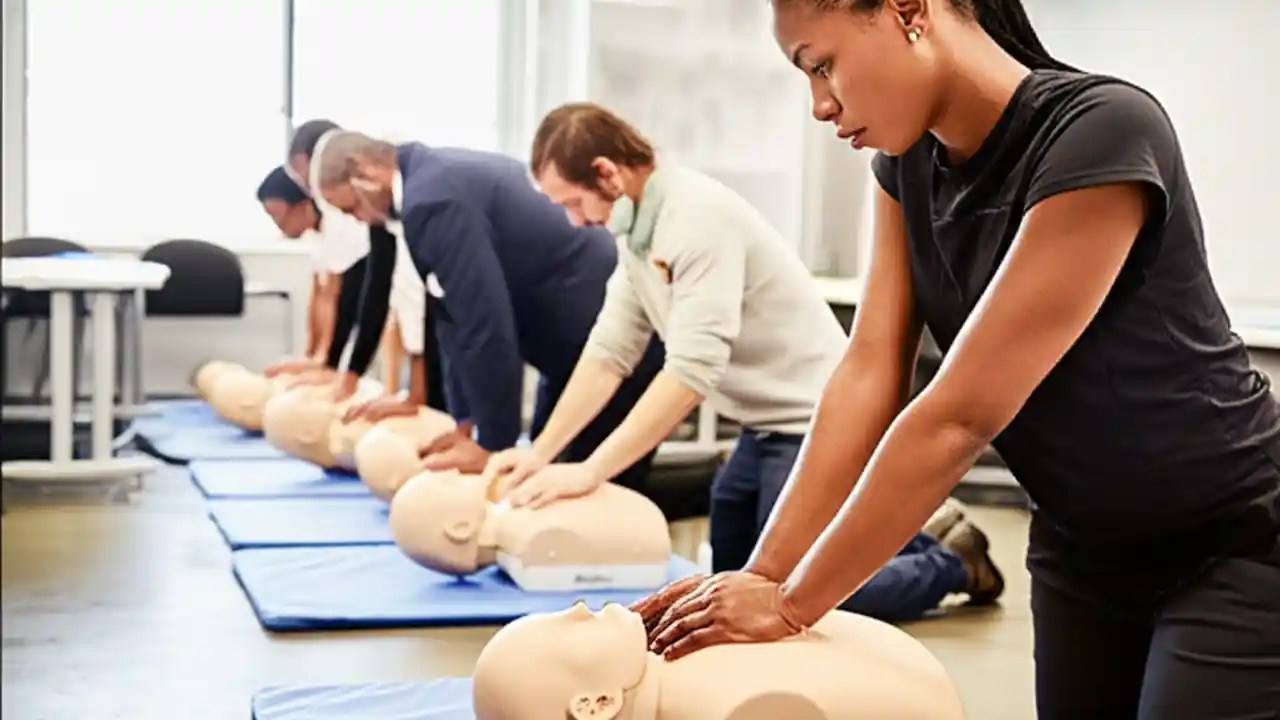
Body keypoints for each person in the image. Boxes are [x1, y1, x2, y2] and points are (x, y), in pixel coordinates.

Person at [636, 2, 1280, 719]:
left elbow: (960, 413)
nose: (819, 105)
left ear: (909, 11)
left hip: (1232, 538)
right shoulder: (903, 168)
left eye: (822, 65)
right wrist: (760, 574)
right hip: (1081, 547)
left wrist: (790, 606)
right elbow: (870, 374)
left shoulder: (1102, 130)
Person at [480, 102, 1002, 622]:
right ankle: (904, 527)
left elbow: (688, 374)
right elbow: (609, 352)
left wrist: (590, 472)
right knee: (730, 576)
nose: (575, 221)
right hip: (762, 425)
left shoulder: (694, 219)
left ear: (606, 173)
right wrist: (542, 454)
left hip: (814, 419)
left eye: (574, 203)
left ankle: (953, 562)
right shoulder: (638, 234)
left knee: (799, 591)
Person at [311, 131, 666, 497]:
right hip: (571, 352)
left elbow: (485, 323)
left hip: (614, 348)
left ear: (365, 172)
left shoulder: (433, 198)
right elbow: (450, 317)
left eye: (351, 207)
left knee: (586, 504)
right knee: (536, 473)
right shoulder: (428, 184)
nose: (358, 219)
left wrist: (491, 443)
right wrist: (464, 422)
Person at [254, 165, 367, 375]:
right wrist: (308, 354)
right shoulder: (316, 235)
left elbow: (334, 297)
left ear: (304, 206)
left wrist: (323, 361)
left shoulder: (341, 226)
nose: (277, 224)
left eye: (277, 215)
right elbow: (318, 296)